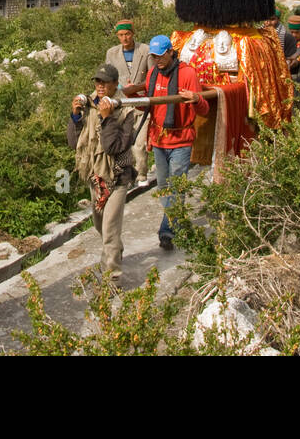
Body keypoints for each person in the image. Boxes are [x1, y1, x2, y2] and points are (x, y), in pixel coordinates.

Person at [68, 64, 140, 281]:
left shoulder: (126, 111)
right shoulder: (89, 105)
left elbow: (114, 147)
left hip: (118, 175)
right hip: (96, 176)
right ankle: (115, 250)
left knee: (109, 229)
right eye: (97, 82)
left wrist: (107, 118)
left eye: (105, 82)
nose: (100, 86)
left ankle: (112, 278)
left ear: (115, 84)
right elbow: (74, 142)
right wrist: (75, 117)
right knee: (99, 225)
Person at [142, 34, 209, 251]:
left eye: (161, 56)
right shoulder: (152, 73)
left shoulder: (187, 73)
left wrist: (197, 99)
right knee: (163, 186)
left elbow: (204, 109)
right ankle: (177, 222)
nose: (158, 60)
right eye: (154, 56)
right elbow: (149, 109)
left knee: (176, 186)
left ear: (171, 52)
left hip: (180, 140)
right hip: (159, 140)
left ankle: (166, 231)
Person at [105, 19, 151, 184]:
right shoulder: (112, 53)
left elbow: (153, 76)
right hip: (122, 104)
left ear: (133, 34)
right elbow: (108, 77)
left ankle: (142, 174)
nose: (124, 38)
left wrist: (137, 87)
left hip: (141, 103)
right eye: (121, 35)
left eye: (127, 34)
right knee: (124, 142)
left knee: (140, 143)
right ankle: (127, 176)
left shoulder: (145, 50)